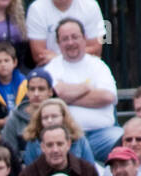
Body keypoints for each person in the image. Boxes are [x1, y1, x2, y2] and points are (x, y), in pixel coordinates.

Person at [43, 19, 120, 161]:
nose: (70, 42)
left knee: (123, 141)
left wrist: (66, 96)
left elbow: (107, 97)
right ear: (58, 44)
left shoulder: (98, 65)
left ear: (84, 39)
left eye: (75, 37)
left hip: (103, 135)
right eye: (65, 39)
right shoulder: (51, 68)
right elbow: (54, 95)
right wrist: (87, 87)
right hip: (66, 137)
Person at [15, 123, 99, 176]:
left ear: (68, 144)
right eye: (49, 145)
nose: (55, 150)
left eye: (60, 144)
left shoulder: (87, 171)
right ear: (42, 147)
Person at [26, 0, 106, 65]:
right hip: (50, 70)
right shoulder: (36, 8)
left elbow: (96, 51)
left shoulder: (91, 6)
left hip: (86, 67)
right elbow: (38, 55)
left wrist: (58, 58)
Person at [0, 66, 53, 160]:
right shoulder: (14, 118)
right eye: (32, 89)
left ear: (50, 92)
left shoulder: (58, 115)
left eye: (41, 89)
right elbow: (8, 152)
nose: (36, 94)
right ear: (27, 92)